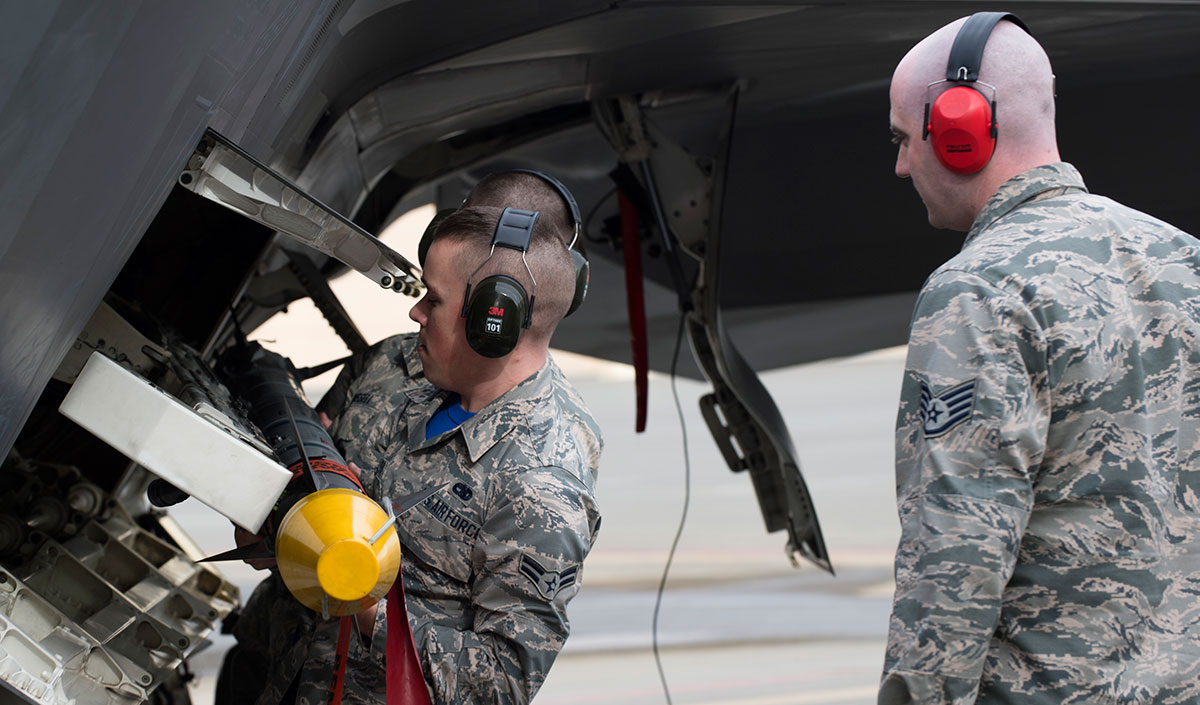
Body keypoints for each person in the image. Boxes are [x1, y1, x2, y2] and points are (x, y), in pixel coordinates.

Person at [881, 11, 1200, 704]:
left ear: (961, 131)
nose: (901, 164)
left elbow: (957, 547)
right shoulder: (1186, 260)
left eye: (906, 139)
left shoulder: (979, 289)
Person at [223, 195, 602, 705]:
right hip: (267, 668)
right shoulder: (392, 362)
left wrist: (365, 603)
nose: (415, 311)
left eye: (435, 300)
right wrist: (275, 524)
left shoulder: (542, 480)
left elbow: (501, 682)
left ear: (492, 324)